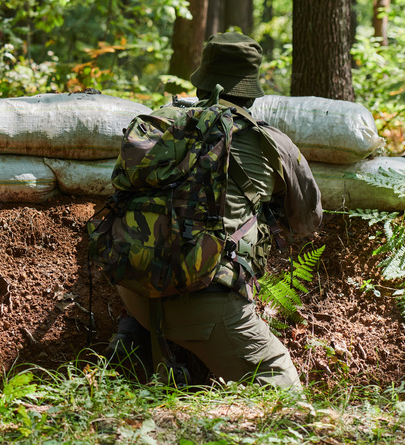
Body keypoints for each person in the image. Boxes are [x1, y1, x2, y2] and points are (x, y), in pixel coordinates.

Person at [108, 32, 322, 390]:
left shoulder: (157, 123)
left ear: (200, 83)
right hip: (206, 302)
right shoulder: (270, 141)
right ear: (252, 91)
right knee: (282, 389)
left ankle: (136, 344)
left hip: (133, 285)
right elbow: (308, 220)